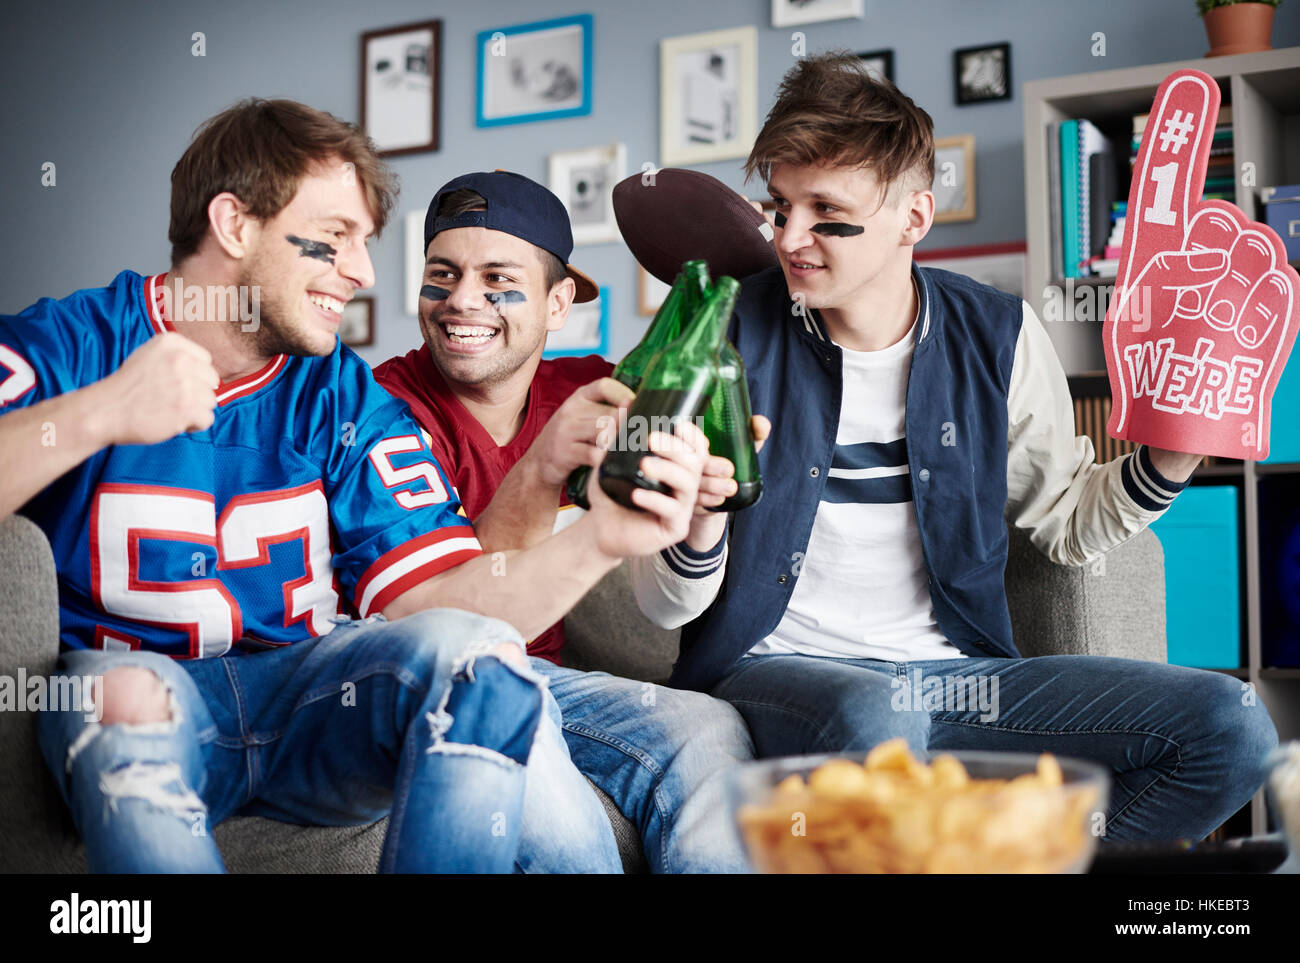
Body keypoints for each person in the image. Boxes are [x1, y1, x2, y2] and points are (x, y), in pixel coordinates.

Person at [0, 100, 706, 873]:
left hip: (309, 701)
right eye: (337, 239)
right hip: (138, 691)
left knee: (480, 659)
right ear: (235, 225)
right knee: (124, 700)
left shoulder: (343, 393)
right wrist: (99, 413)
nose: (366, 274)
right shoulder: (71, 343)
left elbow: (440, 605)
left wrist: (605, 535)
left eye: (364, 245)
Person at [640, 53, 1278, 842]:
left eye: (826, 212)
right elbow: (662, 600)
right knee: (873, 712)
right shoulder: (723, 330)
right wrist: (696, 517)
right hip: (777, 675)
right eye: (779, 206)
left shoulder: (999, 335)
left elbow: (1068, 522)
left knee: (1232, 725)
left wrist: (1178, 443)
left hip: (963, 680)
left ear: (914, 217)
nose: (790, 237)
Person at [374, 170, 760, 873]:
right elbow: (455, 613)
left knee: (707, 723)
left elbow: (669, 587)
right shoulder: (381, 408)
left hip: (552, 680)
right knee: (533, 754)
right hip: (438, 680)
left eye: (498, 279)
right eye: (443, 273)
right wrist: (545, 471)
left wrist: (701, 504)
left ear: (558, 305)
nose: (463, 299)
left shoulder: (597, 390)